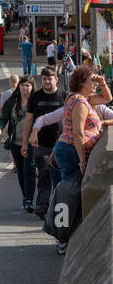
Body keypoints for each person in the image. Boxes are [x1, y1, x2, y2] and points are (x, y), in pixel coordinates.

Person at [48, 66, 109, 252]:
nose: (95, 84)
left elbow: (108, 99)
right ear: (82, 83)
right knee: (70, 193)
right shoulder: (80, 103)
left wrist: (102, 82)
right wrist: (82, 161)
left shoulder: (83, 99)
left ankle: (67, 233)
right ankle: (64, 238)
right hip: (71, 151)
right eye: (92, 81)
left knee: (72, 191)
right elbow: (78, 134)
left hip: (70, 149)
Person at [20, 66, 67, 221]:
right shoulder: (36, 97)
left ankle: (58, 204)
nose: (47, 81)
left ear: (56, 79)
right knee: (44, 173)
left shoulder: (63, 96)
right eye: (44, 78)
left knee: (59, 175)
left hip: (60, 143)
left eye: (50, 78)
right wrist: (25, 143)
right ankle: (42, 205)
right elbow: (28, 120)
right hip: (39, 144)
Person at [0, 76, 36, 211]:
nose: (25, 88)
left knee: (29, 169)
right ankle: (25, 198)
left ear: (32, 87)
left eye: (28, 85)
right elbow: (3, 117)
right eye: (23, 85)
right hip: (15, 142)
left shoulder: (36, 101)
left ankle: (29, 200)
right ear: (18, 87)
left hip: (31, 142)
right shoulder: (12, 101)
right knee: (20, 171)